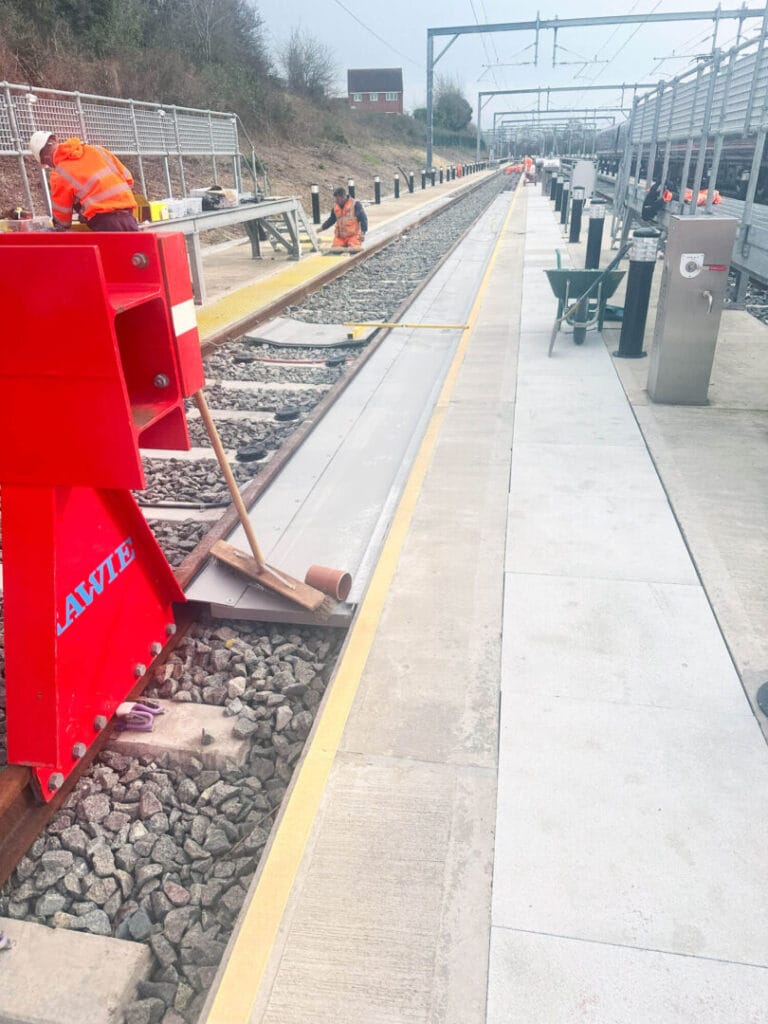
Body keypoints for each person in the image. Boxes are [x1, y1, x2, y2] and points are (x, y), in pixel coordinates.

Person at [28, 131, 138, 231]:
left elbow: (62, 221)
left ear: (46, 158)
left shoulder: (59, 173)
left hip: (105, 223)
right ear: (55, 140)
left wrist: (85, 210)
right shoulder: (97, 150)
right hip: (129, 217)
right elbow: (128, 180)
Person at [321, 186, 368, 253]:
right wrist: (322, 228)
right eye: (335, 199)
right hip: (340, 237)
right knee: (335, 251)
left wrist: (363, 233)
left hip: (353, 236)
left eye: (338, 199)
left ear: (343, 197)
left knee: (353, 250)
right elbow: (331, 219)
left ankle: (352, 246)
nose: (336, 201)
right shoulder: (336, 206)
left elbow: (363, 218)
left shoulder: (355, 205)